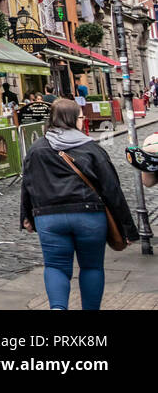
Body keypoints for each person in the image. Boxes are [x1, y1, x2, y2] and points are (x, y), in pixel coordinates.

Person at [20, 98, 138, 310]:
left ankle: (57, 308)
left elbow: (28, 183)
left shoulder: (37, 149)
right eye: (81, 116)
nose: (83, 120)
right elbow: (112, 189)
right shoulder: (91, 148)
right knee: (92, 267)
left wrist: (26, 216)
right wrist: (127, 228)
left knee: (55, 266)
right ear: (73, 119)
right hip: (89, 216)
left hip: (49, 217)